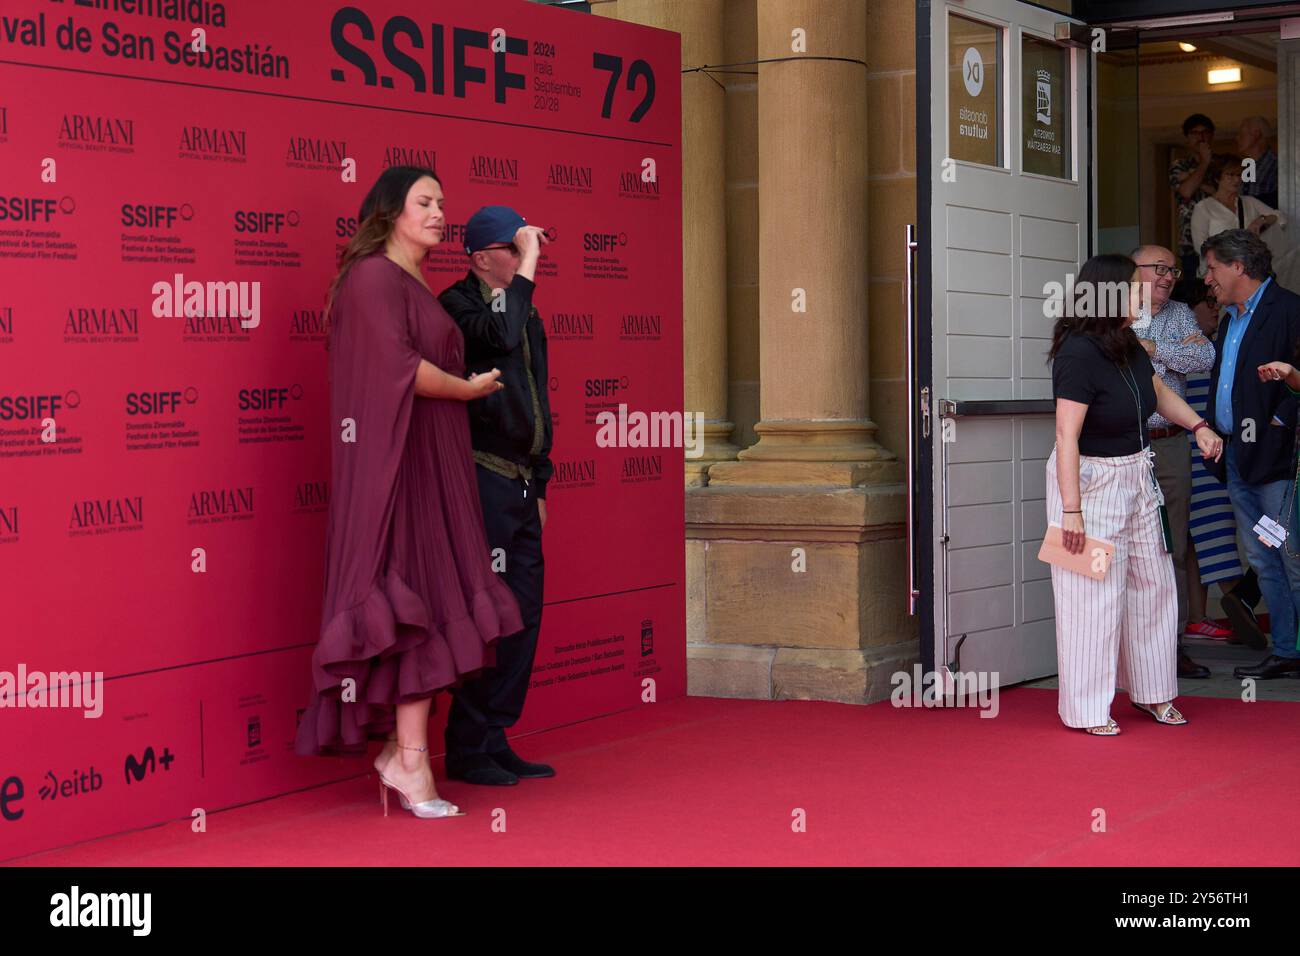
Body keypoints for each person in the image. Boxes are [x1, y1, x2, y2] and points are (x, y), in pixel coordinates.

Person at [294, 167, 524, 819]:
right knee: (412, 601)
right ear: (390, 211)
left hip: (430, 458)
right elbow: (399, 370)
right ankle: (411, 759)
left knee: (428, 602)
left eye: (442, 203)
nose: (439, 213)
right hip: (397, 467)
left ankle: (404, 752)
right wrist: (468, 390)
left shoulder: (412, 280)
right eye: (425, 202)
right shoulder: (372, 278)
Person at [1048, 254, 1223, 735]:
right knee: (1091, 595)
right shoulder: (1077, 351)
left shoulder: (1126, 341)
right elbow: (1066, 435)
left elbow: (1157, 391)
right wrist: (1071, 511)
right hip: (1090, 482)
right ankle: (1087, 708)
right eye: (1133, 286)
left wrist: (1199, 425)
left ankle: (1153, 691)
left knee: (1154, 585)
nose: (1142, 293)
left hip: (1138, 475)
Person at [437, 206, 556, 786]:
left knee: (523, 615)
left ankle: (493, 735)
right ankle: (465, 745)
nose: (525, 256)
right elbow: (498, 334)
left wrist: (542, 480)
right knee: (484, 615)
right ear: (482, 258)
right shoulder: (456, 304)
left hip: (523, 483)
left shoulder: (526, 310)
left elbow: (537, 399)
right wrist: (526, 270)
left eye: (526, 247)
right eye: (514, 248)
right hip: (481, 480)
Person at [1202, 229, 1300, 679]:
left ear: (1238, 266)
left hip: (1276, 460)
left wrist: (1279, 422)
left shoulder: (1289, 309)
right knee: (1263, 558)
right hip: (1237, 458)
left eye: (1212, 268)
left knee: (1291, 557)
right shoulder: (1229, 319)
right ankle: (1286, 651)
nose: (1207, 279)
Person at [1129, 245, 1215, 676]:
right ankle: (1125, 647)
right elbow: (1113, 357)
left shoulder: (1180, 313)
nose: (1167, 277)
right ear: (1133, 271)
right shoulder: (1113, 313)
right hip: (1124, 444)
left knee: (1172, 545)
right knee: (1123, 545)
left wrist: (1153, 347)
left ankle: (1171, 645)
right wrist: (1165, 349)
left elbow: (1204, 357)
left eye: (1173, 271)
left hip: (1171, 443)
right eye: (1159, 269)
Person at [1175, 277, 1267, 648]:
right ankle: (1237, 601)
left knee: (1199, 537)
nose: (1215, 309)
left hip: (1211, 452)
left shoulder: (1213, 348)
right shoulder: (1192, 350)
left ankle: (1203, 616)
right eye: (1207, 302)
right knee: (1212, 530)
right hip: (1199, 455)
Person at [1190, 155, 1285, 277]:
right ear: (1217, 178)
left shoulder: (1249, 202)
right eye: (1230, 175)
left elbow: (1280, 217)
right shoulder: (1203, 207)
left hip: (1248, 272)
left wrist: (1261, 220)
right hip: (1216, 275)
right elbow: (1200, 246)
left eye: (1239, 175)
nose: (1236, 180)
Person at [1169, 113, 1224, 279]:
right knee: (1194, 289)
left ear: (1212, 135)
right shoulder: (1179, 165)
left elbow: (1226, 195)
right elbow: (1186, 191)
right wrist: (1204, 163)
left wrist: (1192, 178)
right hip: (1190, 243)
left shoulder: (1223, 164)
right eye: (1195, 133)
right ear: (1187, 138)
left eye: (1205, 132)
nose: (1201, 137)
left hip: (1221, 237)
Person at [1236, 115, 1279, 210]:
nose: (1237, 138)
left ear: (1256, 134)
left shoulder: (1276, 165)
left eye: (1241, 134)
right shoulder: (1244, 165)